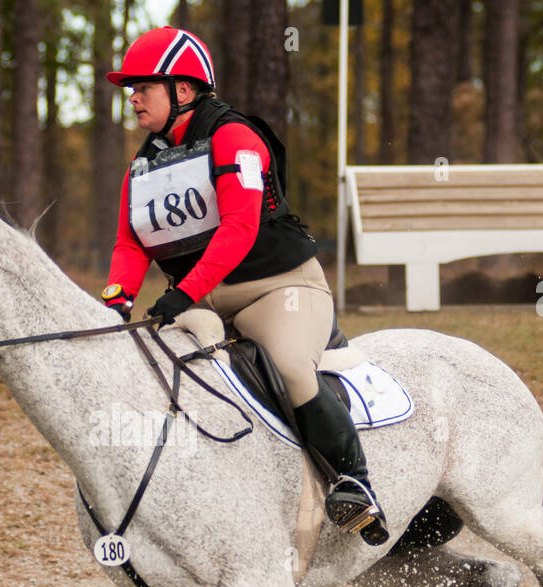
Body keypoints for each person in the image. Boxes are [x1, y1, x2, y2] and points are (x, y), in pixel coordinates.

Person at [100, 26, 388, 544]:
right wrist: (117, 299)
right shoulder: (142, 164)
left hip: (277, 290)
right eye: (131, 88)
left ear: (183, 90)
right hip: (203, 297)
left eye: (144, 86)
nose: (134, 97)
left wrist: (183, 292)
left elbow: (240, 227)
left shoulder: (236, 138)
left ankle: (355, 481)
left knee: (289, 364)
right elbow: (130, 244)